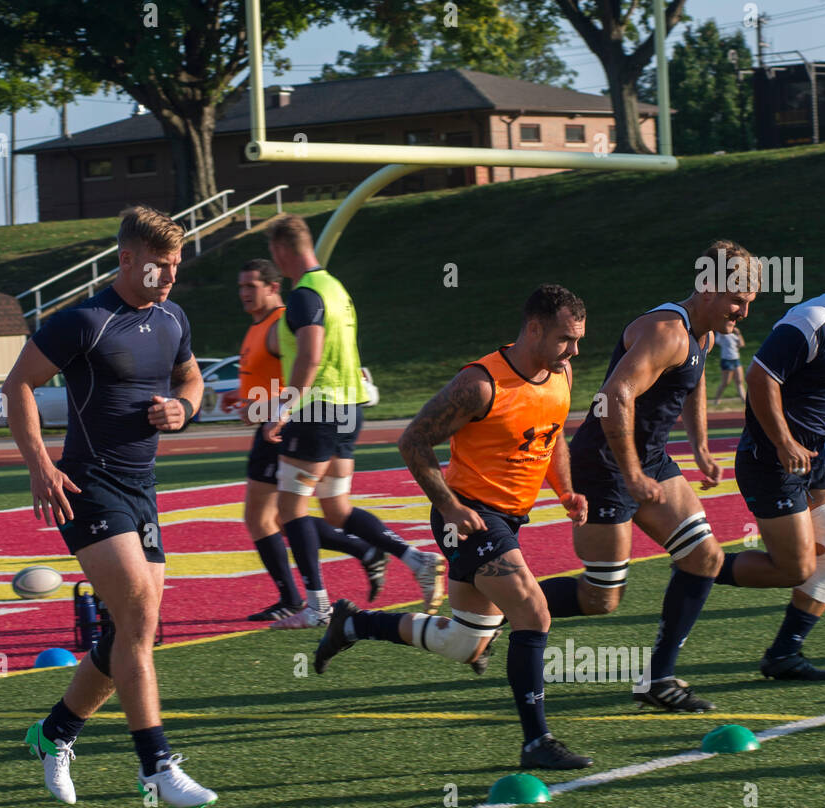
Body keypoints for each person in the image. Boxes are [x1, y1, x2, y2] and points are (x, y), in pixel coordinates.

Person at [314, 285, 594, 769]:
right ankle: (536, 742)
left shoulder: (560, 373)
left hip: (508, 518)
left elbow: (552, 434)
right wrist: (448, 506)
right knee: (534, 613)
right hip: (468, 516)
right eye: (566, 339)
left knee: (464, 642)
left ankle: (354, 623)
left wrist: (565, 490)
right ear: (534, 329)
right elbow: (413, 442)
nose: (574, 350)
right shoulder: (481, 384)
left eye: (577, 340)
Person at [11, 205, 216, 808]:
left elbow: (192, 379)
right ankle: (155, 765)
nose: (171, 277)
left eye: (176, 265)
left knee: (138, 626)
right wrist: (40, 464)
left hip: (141, 485)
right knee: (135, 610)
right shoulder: (84, 320)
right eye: (160, 266)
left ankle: (55, 734)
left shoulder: (174, 316)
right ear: (127, 260)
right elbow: (16, 383)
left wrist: (186, 408)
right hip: (87, 485)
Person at [536, 241, 761, 712]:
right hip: (605, 463)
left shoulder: (703, 334)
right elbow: (617, 395)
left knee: (705, 558)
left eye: (749, 302)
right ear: (707, 288)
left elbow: (692, 383)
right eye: (737, 300)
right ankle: (498, 604)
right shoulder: (668, 332)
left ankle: (658, 679)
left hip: (649, 459)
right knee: (602, 597)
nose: (743, 312)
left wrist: (699, 446)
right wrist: (633, 474)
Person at [712, 240, 825, 679]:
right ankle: (700, 564)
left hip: (816, 455)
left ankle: (783, 653)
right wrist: (783, 441)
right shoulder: (811, 319)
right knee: (794, 567)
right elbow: (760, 378)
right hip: (771, 459)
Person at [262, 215, 445, 630]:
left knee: (289, 509)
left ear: (283, 250)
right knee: (337, 509)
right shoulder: (336, 288)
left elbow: (310, 354)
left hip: (316, 410)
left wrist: (284, 408)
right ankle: (415, 559)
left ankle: (317, 605)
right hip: (348, 409)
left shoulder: (305, 295)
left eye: (275, 253)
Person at [222, 258, 390, 622]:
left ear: (273, 287)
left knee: (268, 516)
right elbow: (273, 375)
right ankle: (362, 552)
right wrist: (243, 396)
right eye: (241, 287)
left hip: (285, 424)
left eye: (252, 286)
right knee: (279, 517)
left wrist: (276, 408)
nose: (244, 294)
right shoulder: (258, 326)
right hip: (271, 420)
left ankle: (296, 597)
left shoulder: (281, 322)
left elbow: (303, 372)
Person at [712, 325, 746, 402]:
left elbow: (741, 344)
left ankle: (744, 400)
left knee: (739, 381)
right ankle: (717, 400)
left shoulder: (734, 335)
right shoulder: (722, 334)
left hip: (736, 360)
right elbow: (717, 341)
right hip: (726, 360)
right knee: (725, 383)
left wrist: (738, 333)